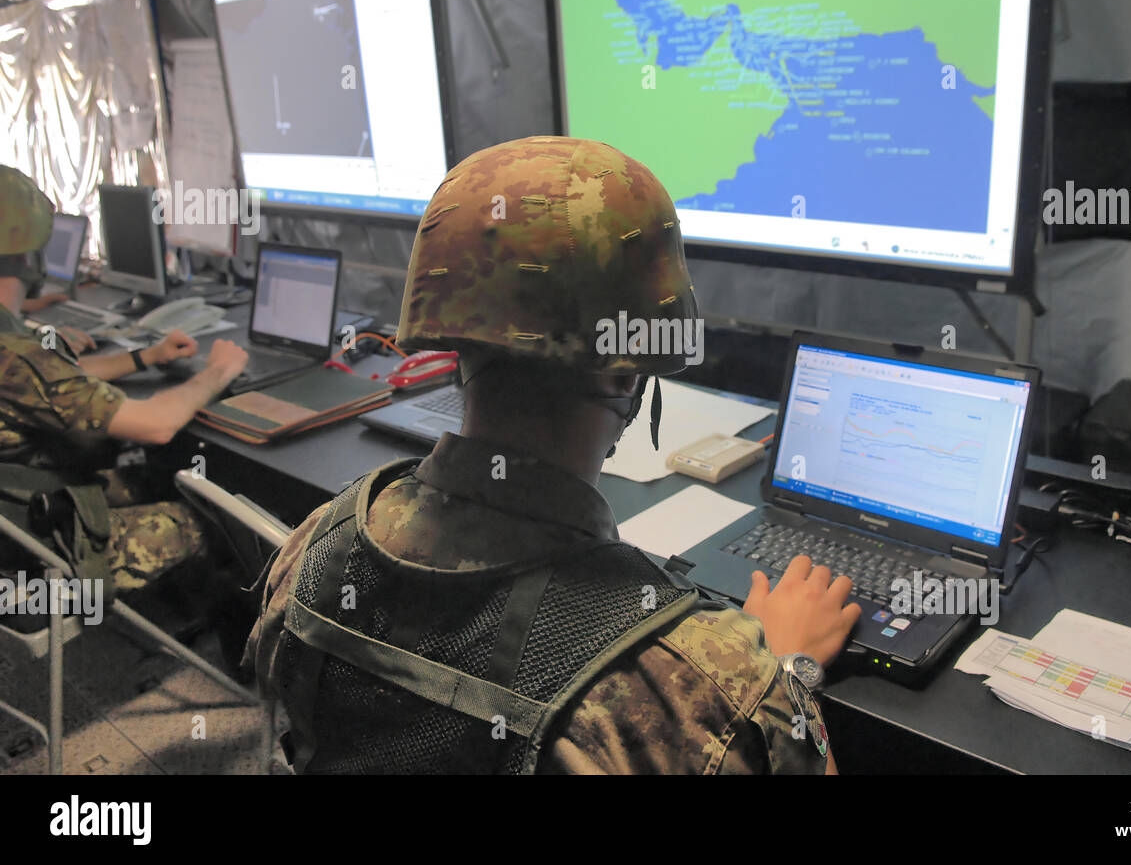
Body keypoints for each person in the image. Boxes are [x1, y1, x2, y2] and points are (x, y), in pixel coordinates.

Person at [245, 136, 862, 774]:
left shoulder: (315, 550)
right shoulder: (705, 687)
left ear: (454, 342)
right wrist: (790, 672)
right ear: (629, 378)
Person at [0, 164, 250, 594]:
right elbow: (156, 424)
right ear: (29, 258)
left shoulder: (15, 349)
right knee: (222, 514)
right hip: (39, 545)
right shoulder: (15, 358)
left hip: (21, 510)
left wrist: (144, 357)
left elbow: (55, 382)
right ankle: (231, 648)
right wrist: (218, 372)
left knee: (160, 479)